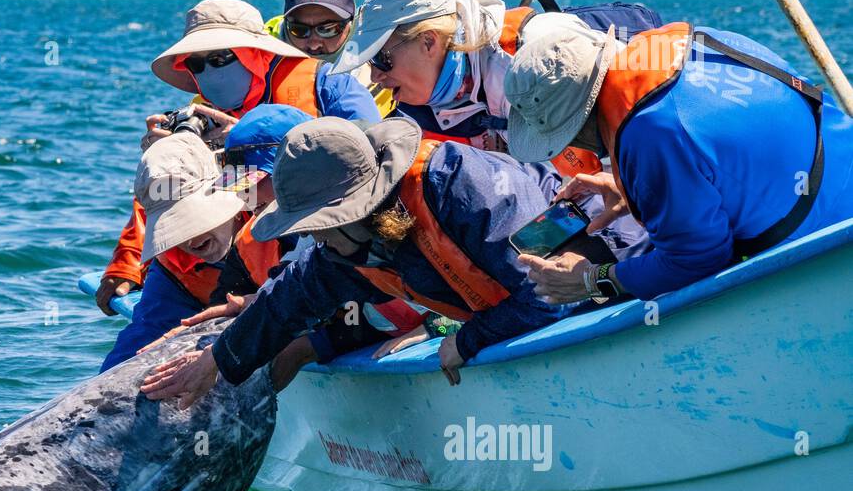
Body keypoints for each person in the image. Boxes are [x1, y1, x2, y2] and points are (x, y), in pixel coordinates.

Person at [140, 117, 645, 407]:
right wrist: (216, 361)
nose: (315, 242)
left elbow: (548, 292)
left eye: (320, 225)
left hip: (619, 285)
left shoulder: (468, 189)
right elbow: (288, 301)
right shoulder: (347, 244)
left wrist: (463, 341)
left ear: (362, 206)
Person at [501, 22, 853, 304]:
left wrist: (592, 281)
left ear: (579, 122)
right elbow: (728, 149)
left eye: (566, 137)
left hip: (826, 253)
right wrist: (634, 190)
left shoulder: (651, 133)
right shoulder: (694, 42)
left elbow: (696, 260)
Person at [97, 0, 379, 316]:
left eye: (220, 58)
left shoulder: (326, 85)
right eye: (196, 63)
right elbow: (164, 195)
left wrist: (245, 142)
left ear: (255, 53)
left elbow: (370, 161)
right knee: (142, 343)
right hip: (206, 264)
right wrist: (129, 261)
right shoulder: (198, 115)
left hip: (302, 248)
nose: (208, 71)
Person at [331, 0, 602, 177]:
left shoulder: (537, 57)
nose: (375, 75)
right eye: (368, 61)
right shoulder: (419, 109)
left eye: (381, 57)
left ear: (429, 41)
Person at [100, 133, 247, 372]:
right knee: (126, 363)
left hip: (256, 278)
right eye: (174, 226)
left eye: (193, 218)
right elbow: (155, 199)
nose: (189, 238)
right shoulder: (161, 186)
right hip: (179, 281)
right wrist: (128, 261)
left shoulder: (254, 180)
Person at [264, 0, 394, 116]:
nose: (313, 44)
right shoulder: (260, 60)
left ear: (351, 25)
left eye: (328, 29)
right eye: (299, 30)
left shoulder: (382, 72)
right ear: (285, 26)